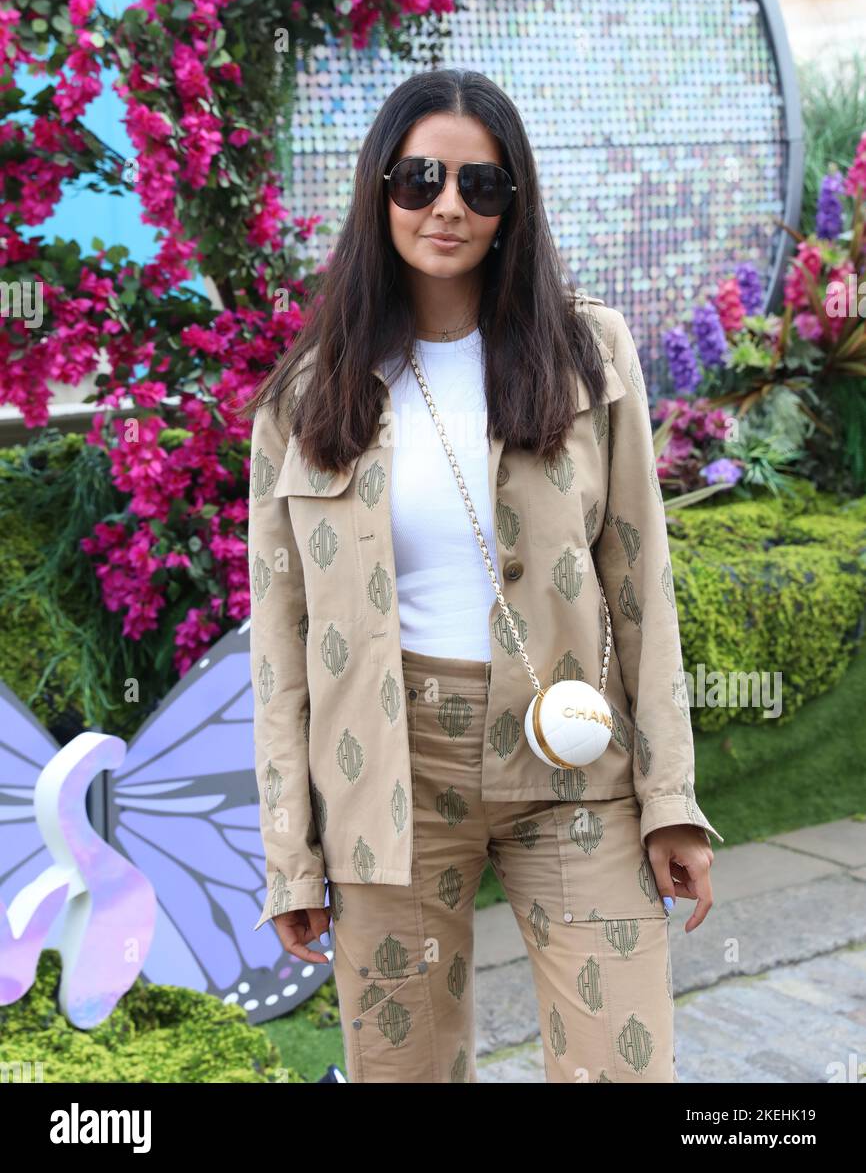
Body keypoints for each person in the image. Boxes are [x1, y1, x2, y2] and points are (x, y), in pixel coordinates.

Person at [242, 67, 723, 1083]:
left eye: (479, 185)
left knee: (622, 1064)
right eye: (418, 179)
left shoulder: (587, 352)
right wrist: (293, 851)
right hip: (387, 774)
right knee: (405, 1071)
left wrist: (669, 795)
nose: (447, 205)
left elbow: (639, 582)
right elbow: (279, 648)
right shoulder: (304, 393)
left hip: (569, 760)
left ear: (513, 204)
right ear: (378, 191)